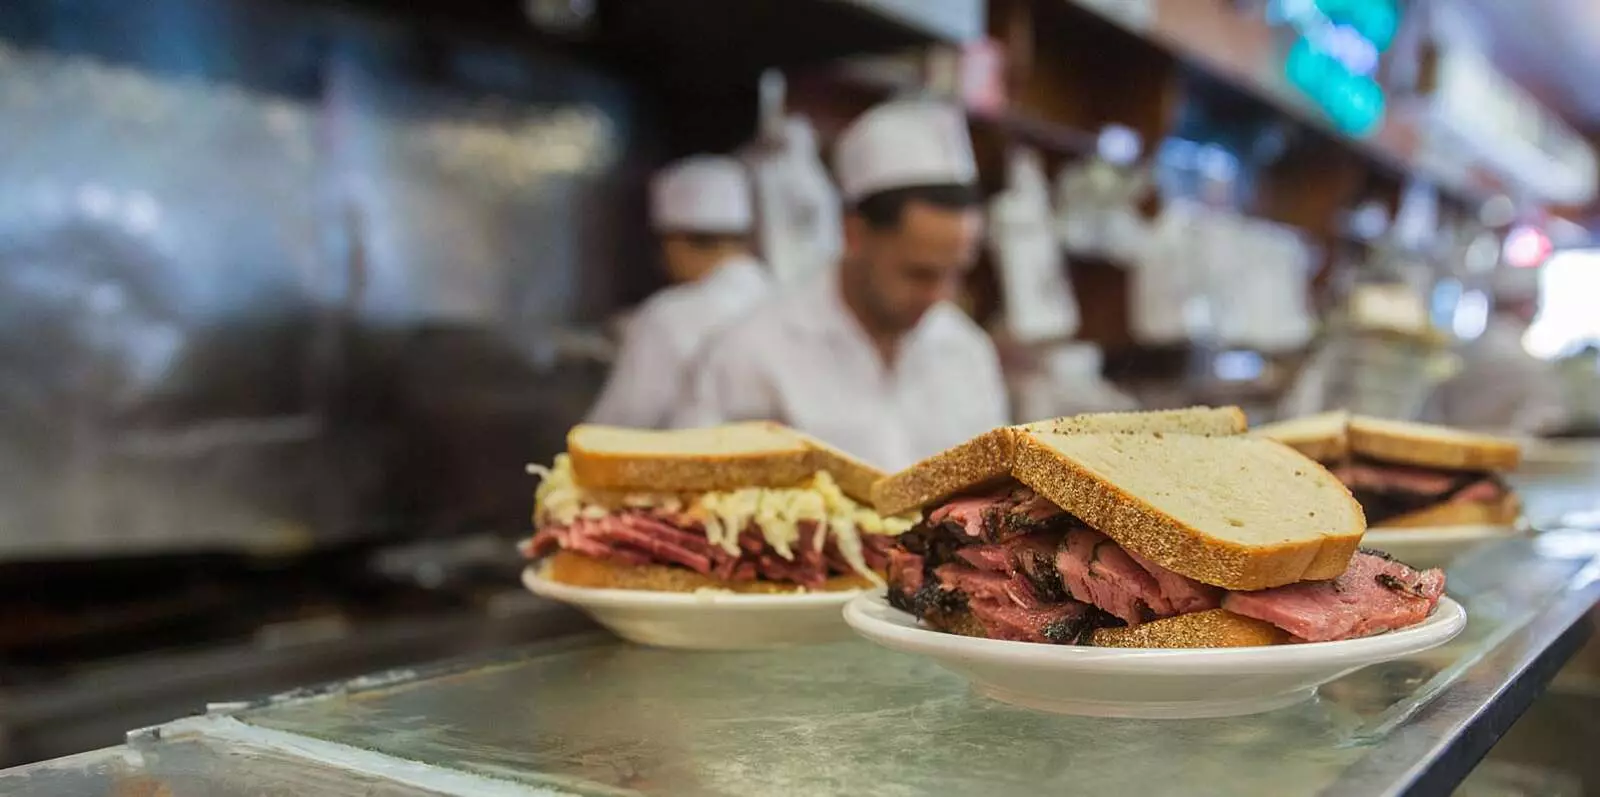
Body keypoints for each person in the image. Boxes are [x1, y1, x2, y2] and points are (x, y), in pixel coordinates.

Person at [676, 100, 1008, 470]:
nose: (940, 295)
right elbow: (691, 498)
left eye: (955, 273)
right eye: (919, 273)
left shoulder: (968, 354)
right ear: (854, 234)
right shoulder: (751, 352)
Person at [585, 155, 770, 428]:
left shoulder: (669, 316)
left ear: (677, 241)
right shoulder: (786, 301)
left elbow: (617, 426)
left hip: (694, 465)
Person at [1428, 265, 1566, 434]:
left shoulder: (1461, 354)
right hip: (1500, 456)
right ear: (1524, 305)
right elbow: (1544, 423)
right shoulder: (1531, 368)